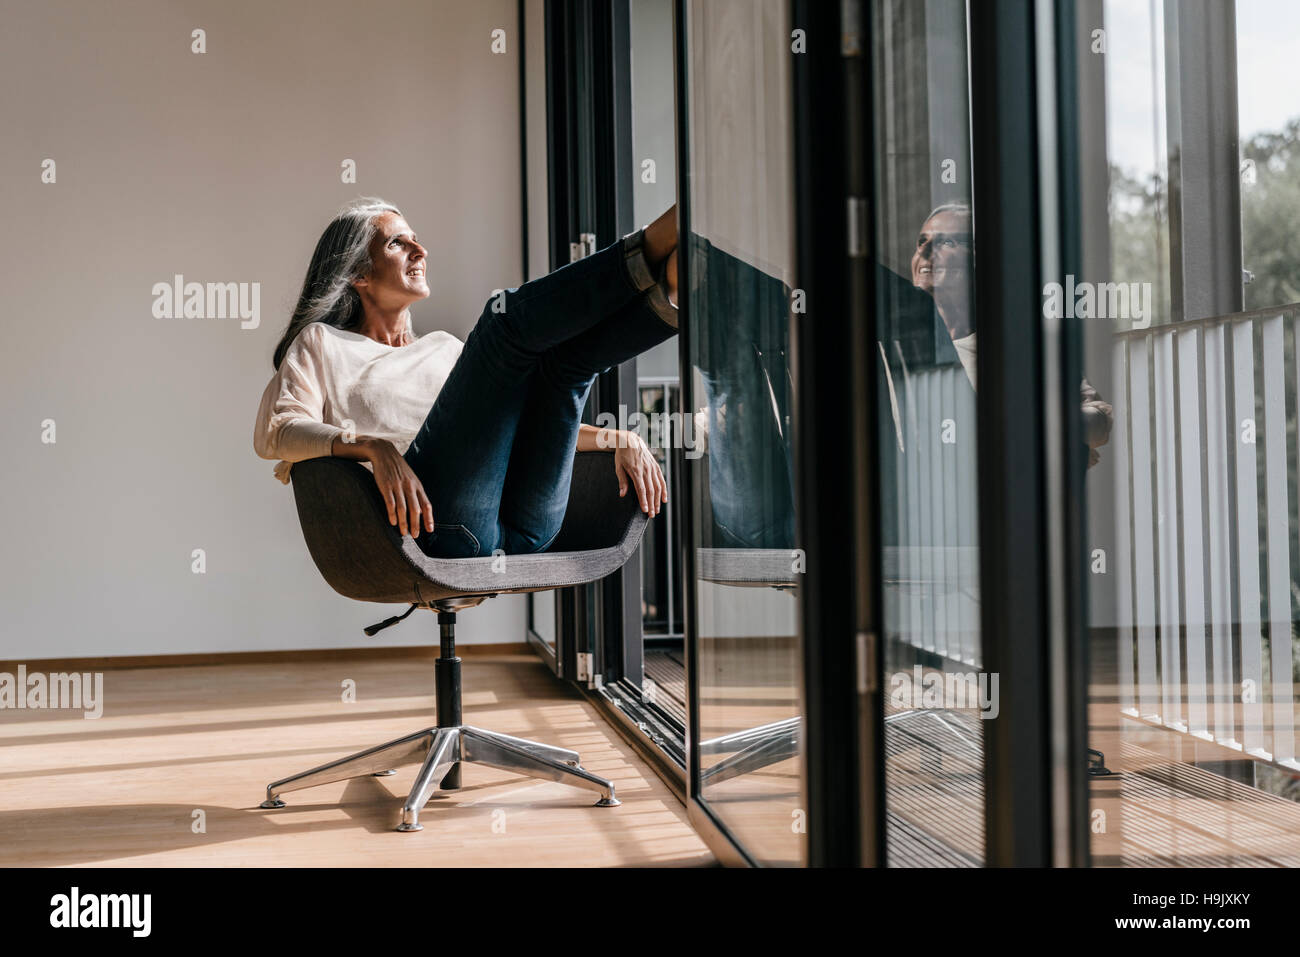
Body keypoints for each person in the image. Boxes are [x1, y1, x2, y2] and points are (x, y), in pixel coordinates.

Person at [253, 197, 679, 558]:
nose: (420, 250)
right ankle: (658, 240)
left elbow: (527, 423)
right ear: (358, 275)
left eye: (416, 239)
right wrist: (373, 447)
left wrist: (619, 438)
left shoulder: (444, 349)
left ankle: (675, 290)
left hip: (527, 524)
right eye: (398, 243)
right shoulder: (324, 343)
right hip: (432, 527)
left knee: (565, 370)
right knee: (503, 323)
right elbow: (278, 431)